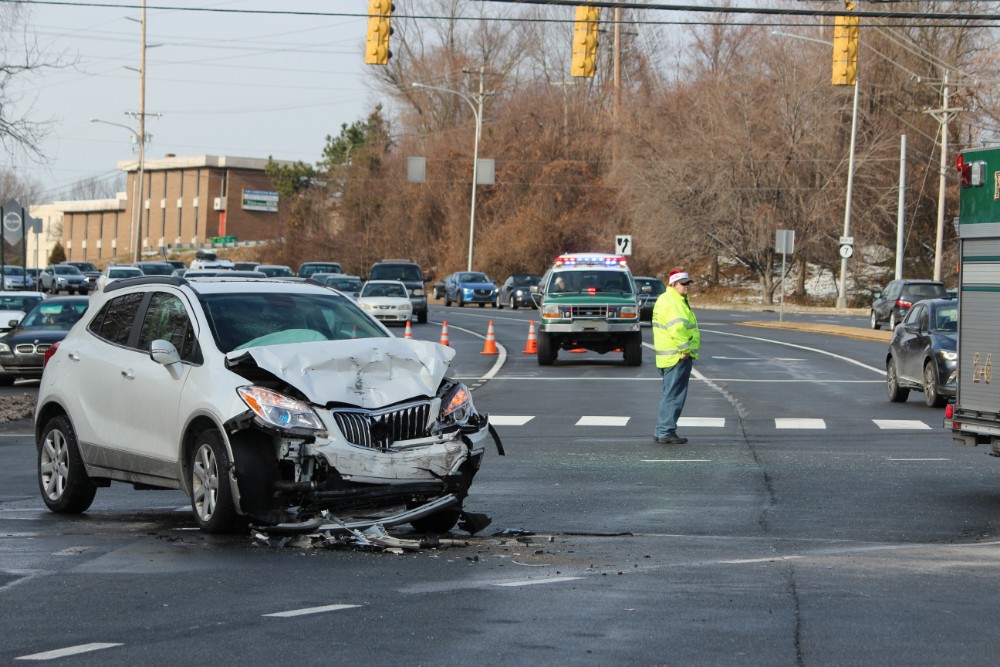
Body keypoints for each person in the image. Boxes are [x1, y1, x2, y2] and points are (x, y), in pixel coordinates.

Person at [652, 270, 700, 444]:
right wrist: (685, 350)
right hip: (677, 356)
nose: (686, 287)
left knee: (668, 394)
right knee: (674, 395)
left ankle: (661, 430)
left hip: (666, 356)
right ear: (673, 284)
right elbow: (678, 328)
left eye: (688, 283)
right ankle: (666, 431)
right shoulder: (674, 302)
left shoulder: (664, 299)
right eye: (683, 283)